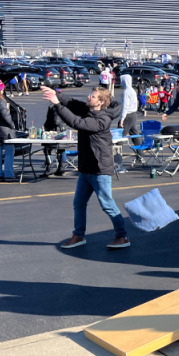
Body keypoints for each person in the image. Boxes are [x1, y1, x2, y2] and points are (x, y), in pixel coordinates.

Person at [42, 86, 130, 250]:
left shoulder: (102, 119)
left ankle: (122, 236)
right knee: (79, 203)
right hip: (86, 169)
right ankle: (78, 235)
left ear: (101, 102)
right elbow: (72, 103)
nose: (89, 97)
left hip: (99, 169)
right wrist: (57, 95)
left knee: (107, 204)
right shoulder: (89, 111)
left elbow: (76, 122)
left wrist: (56, 104)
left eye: (93, 96)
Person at [119, 74, 143, 168]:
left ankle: (117, 157)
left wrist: (122, 118)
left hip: (128, 115)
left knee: (119, 136)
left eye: (122, 80)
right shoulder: (132, 90)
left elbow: (125, 106)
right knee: (135, 135)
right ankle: (140, 155)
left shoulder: (126, 92)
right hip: (133, 114)